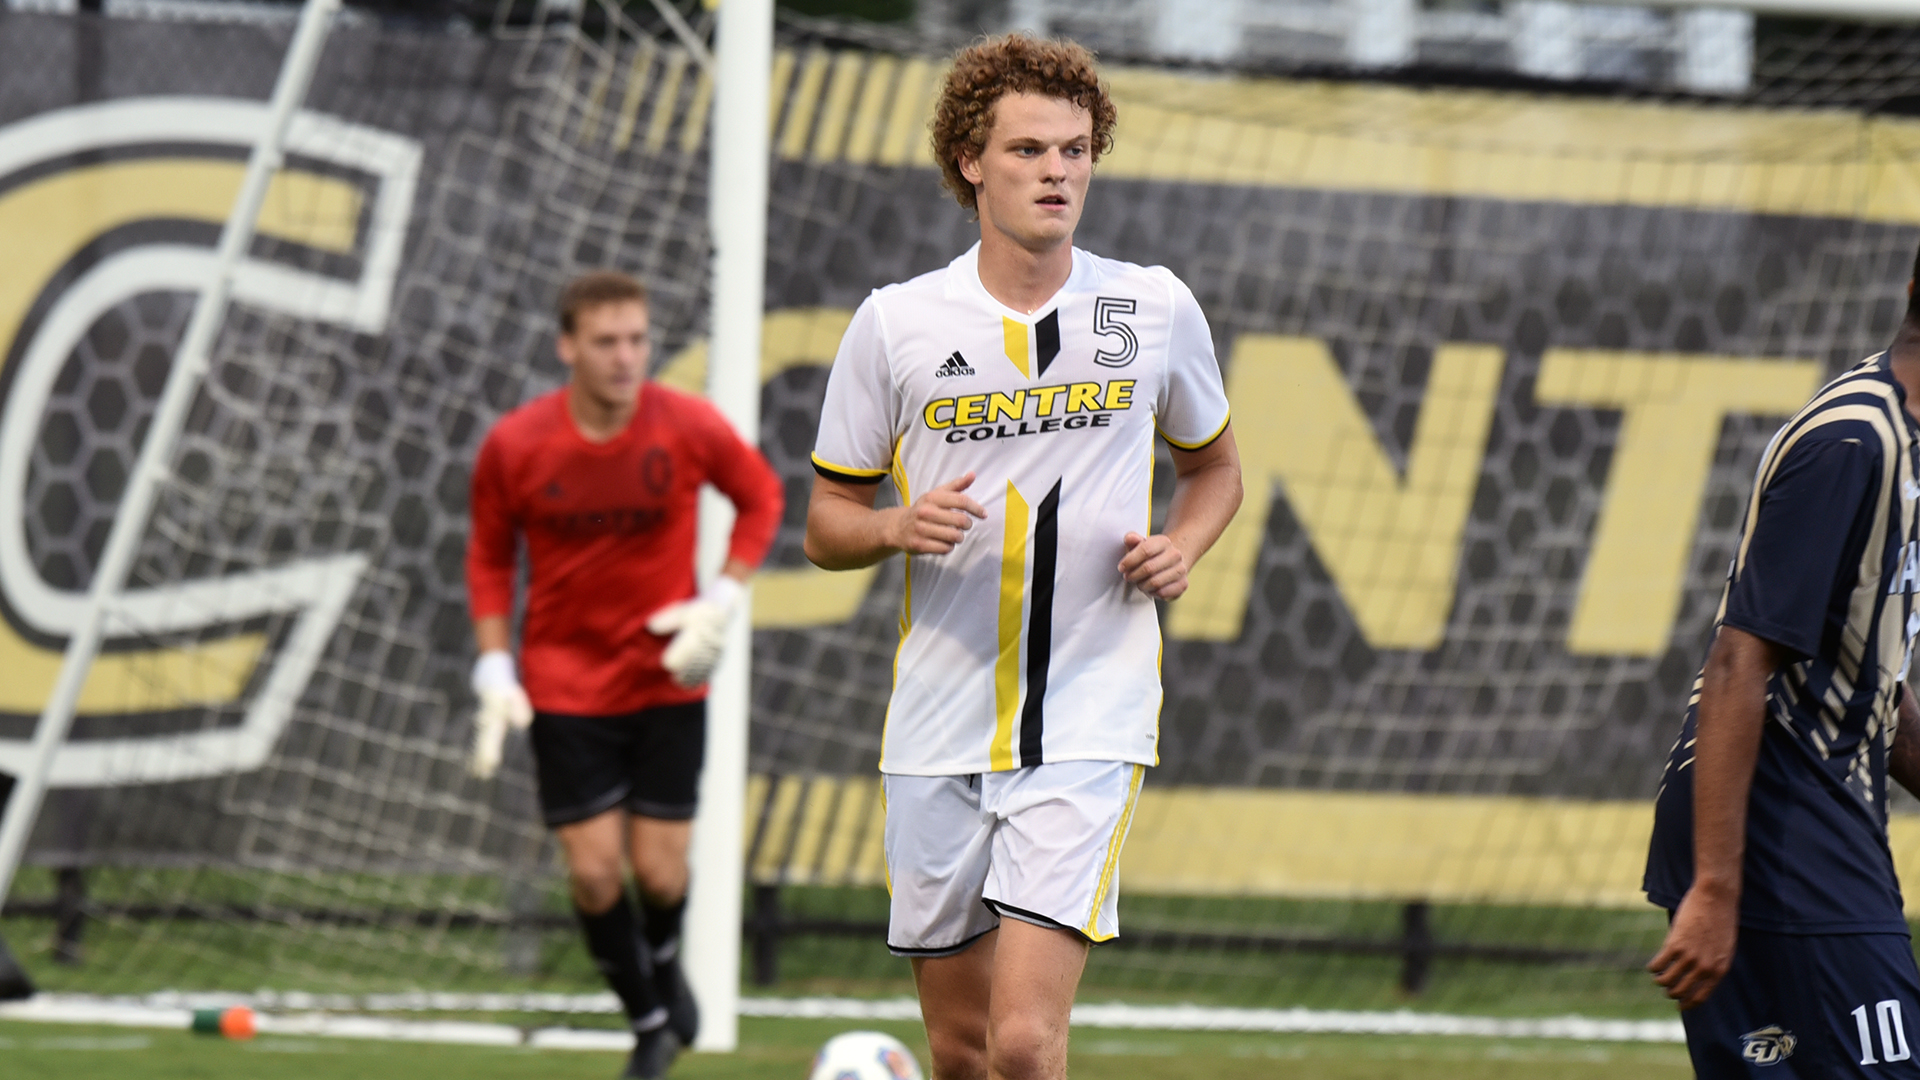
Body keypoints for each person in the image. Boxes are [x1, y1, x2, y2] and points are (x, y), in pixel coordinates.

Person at [804, 35, 1243, 1080]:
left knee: (1024, 1041)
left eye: (1078, 150)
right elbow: (826, 520)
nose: (1059, 172)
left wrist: (1180, 548)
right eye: (1031, 149)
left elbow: (1216, 470)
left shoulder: (1153, 307)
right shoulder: (895, 324)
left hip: (1090, 718)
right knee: (959, 1053)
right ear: (970, 160)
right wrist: (892, 527)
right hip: (935, 727)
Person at [465, 271, 783, 1079]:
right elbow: (490, 557)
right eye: (606, 342)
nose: (625, 356)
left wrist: (721, 597)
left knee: (660, 870)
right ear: (568, 346)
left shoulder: (684, 425)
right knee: (598, 873)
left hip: (667, 678)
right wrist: (496, 662)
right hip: (566, 687)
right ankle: (650, 1021)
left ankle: (662, 974)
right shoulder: (517, 445)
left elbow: (760, 495)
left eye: (637, 339)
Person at [1644, 246, 1920, 1078]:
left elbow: (1871, 686)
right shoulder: (1851, 441)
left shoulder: (1907, 444)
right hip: (1779, 836)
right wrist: (1718, 890)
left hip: (1831, 829)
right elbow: (1738, 664)